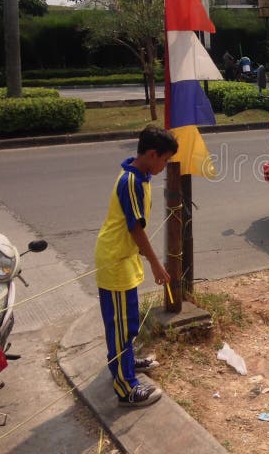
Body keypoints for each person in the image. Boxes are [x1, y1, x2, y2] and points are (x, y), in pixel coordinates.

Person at [94, 126, 177, 408]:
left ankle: (127, 364)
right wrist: (156, 264)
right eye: (164, 160)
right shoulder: (131, 182)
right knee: (119, 327)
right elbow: (136, 230)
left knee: (128, 322)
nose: (164, 167)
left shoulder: (141, 176)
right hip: (114, 262)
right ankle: (125, 387)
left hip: (124, 259)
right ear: (152, 154)